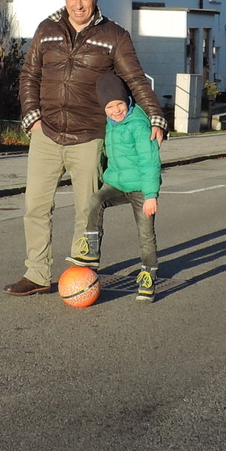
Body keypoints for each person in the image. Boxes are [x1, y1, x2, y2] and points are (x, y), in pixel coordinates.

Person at [6, 0, 165, 296]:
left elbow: (135, 79)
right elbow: (29, 74)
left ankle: (82, 279)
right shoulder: (47, 30)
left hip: (90, 135)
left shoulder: (113, 36)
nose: (78, 5)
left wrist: (156, 117)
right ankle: (36, 274)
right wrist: (31, 117)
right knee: (35, 207)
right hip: (46, 132)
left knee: (86, 210)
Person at [85, 72, 161, 301]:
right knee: (95, 200)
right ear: (103, 109)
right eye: (110, 107)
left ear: (127, 101)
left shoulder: (138, 125)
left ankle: (148, 275)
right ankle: (91, 249)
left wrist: (151, 195)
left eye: (119, 104)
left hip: (140, 189)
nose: (116, 111)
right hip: (117, 184)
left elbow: (150, 161)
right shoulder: (109, 125)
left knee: (146, 234)